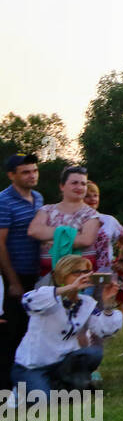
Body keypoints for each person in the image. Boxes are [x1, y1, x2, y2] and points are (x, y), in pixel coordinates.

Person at [10, 255, 120, 395]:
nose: (83, 276)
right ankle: (29, 388)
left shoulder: (87, 302)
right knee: (44, 402)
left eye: (86, 272)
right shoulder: (48, 296)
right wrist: (70, 288)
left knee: (94, 353)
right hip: (32, 366)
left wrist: (108, 302)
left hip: (62, 364)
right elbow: (28, 300)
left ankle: (66, 383)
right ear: (63, 276)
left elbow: (105, 330)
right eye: (76, 273)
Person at [1, 154, 45, 390]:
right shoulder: (4, 201)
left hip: (35, 273)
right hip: (14, 274)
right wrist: (12, 280)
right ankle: (7, 386)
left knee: (32, 330)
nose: (32, 175)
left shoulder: (38, 198)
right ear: (12, 175)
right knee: (12, 332)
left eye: (34, 170)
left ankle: (29, 381)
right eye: (26, 172)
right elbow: (0, 242)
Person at [26, 165, 101, 277]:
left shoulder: (92, 214)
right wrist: (69, 233)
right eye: (74, 183)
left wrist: (50, 237)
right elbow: (34, 231)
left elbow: (85, 240)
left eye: (83, 184)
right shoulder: (46, 210)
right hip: (48, 277)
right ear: (62, 186)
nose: (79, 187)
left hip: (81, 278)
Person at [84, 181, 123, 275]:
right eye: (87, 196)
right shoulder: (72, 221)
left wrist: (121, 260)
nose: (92, 199)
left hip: (105, 275)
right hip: (79, 275)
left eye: (95, 195)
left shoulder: (109, 220)